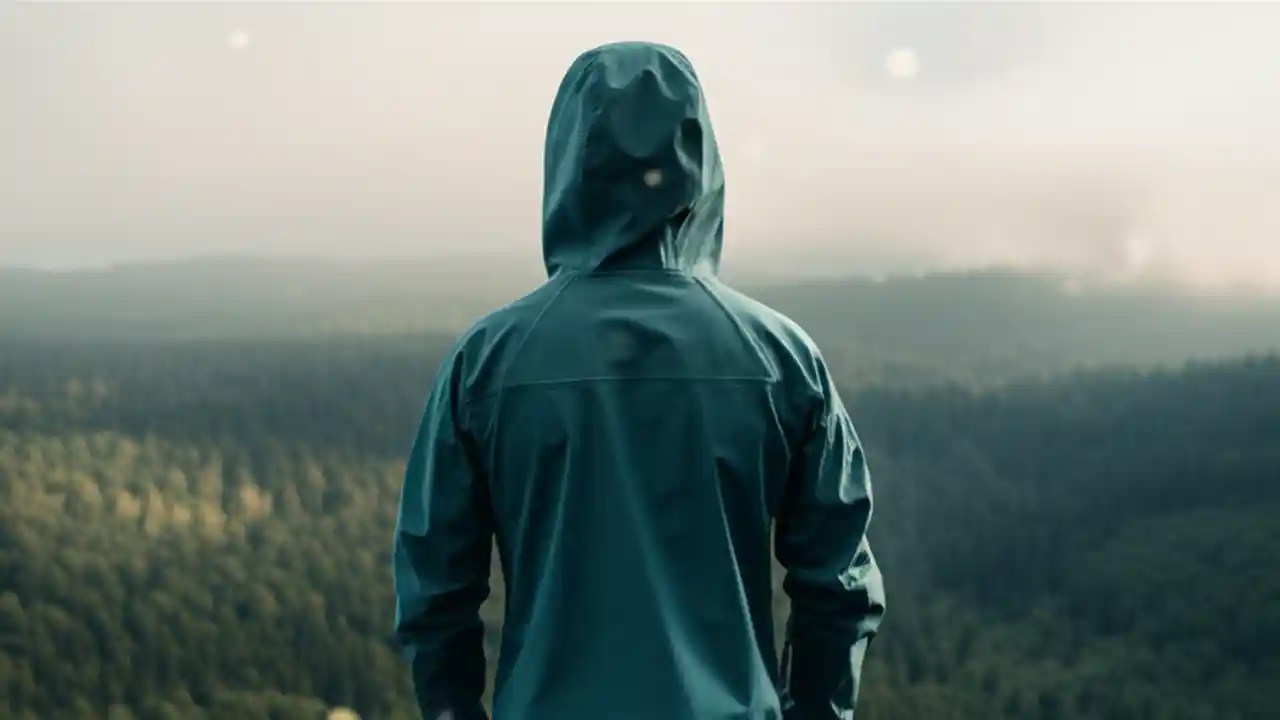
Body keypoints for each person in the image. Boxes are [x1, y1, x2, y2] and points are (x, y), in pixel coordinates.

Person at [392, 41, 885, 720]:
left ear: (567, 158)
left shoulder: (486, 363)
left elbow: (435, 594)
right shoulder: (782, 358)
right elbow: (839, 588)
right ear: (701, 160)